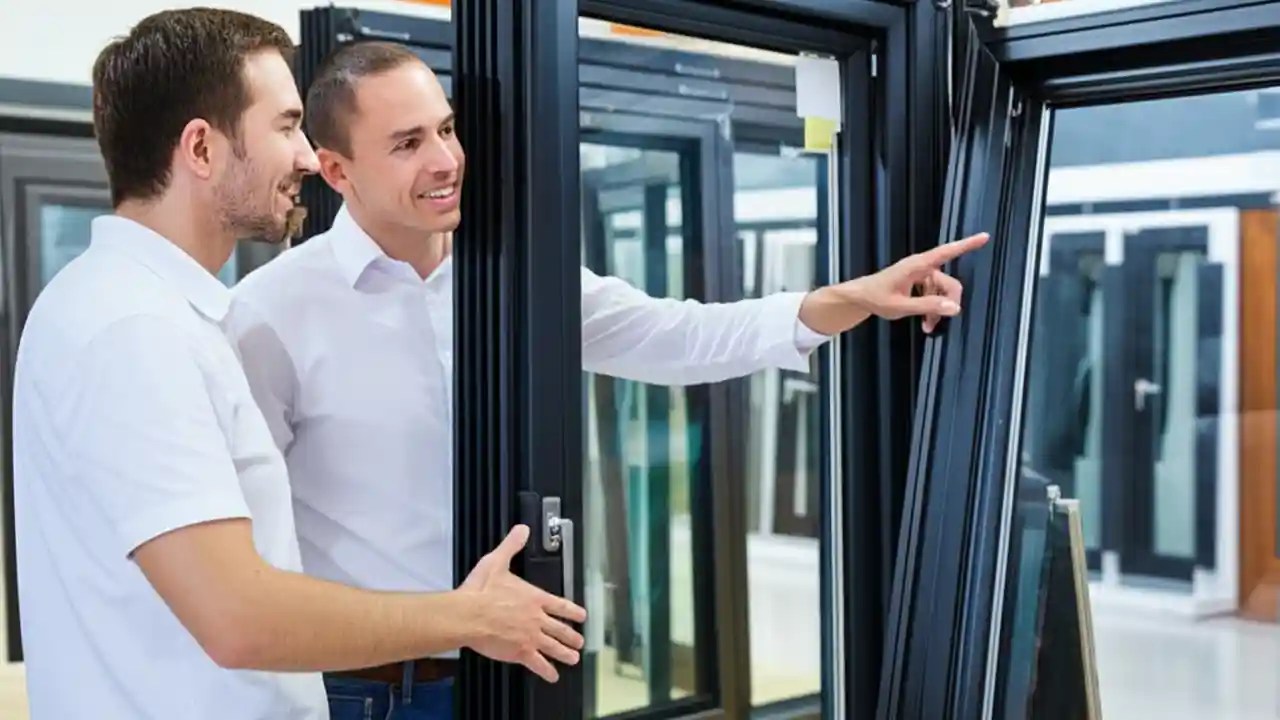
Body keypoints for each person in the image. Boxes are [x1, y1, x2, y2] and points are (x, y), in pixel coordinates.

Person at [225, 41, 988, 719]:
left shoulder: (511, 281)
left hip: (516, 669)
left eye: (447, 130)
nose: (445, 160)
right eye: (407, 143)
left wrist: (846, 300)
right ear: (336, 169)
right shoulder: (271, 315)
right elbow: (246, 553)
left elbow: (678, 334)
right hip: (370, 693)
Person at [12, 12, 584, 720]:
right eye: (285, 127)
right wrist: (470, 617)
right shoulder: (134, 330)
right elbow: (239, 615)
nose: (310, 160)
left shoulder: (144, 311)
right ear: (201, 148)